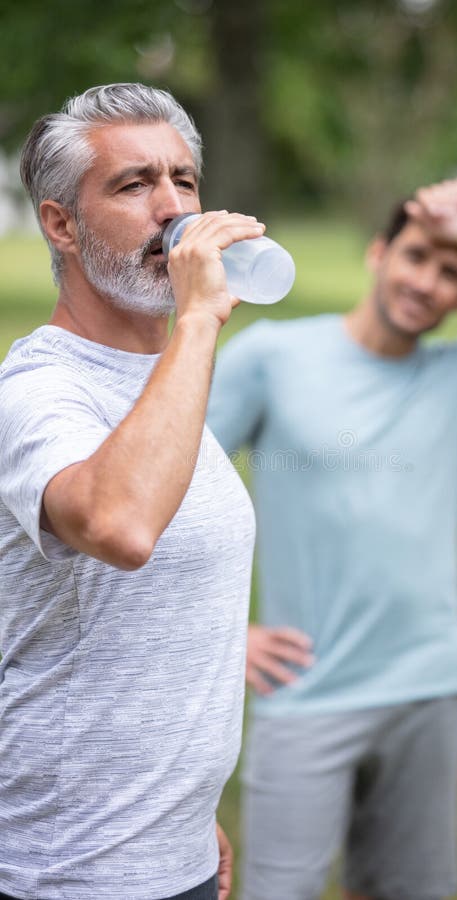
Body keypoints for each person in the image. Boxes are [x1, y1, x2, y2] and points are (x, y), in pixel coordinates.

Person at [207, 177, 457, 900]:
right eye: (416, 256)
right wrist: (227, 635)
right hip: (307, 693)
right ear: (378, 253)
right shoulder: (274, 357)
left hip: (427, 686)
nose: (426, 281)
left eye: (452, 273)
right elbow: (176, 491)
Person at [0, 83, 265, 900]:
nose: (171, 208)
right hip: (67, 871)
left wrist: (183, 818)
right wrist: (195, 322)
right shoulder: (37, 389)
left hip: (168, 856)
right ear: (60, 224)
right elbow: (119, 524)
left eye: (184, 181)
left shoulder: (162, 382)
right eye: (133, 183)